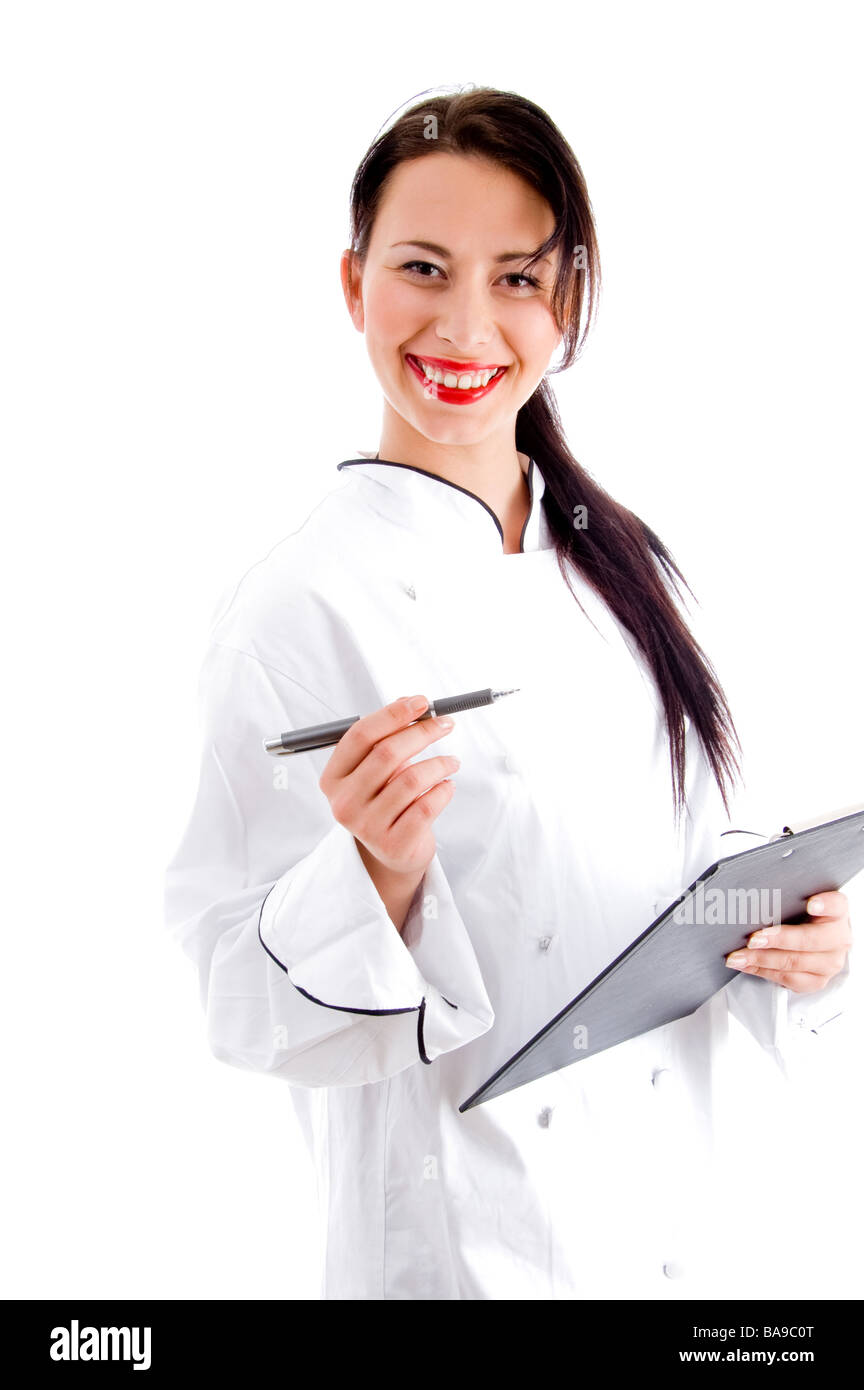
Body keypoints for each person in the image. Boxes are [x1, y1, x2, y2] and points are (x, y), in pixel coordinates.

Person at [164, 86, 854, 1300]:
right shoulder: (295, 607)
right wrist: (371, 870)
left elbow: (676, 859)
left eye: (519, 279)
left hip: (675, 1233)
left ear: (569, 302)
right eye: (423, 268)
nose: (467, 324)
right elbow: (233, 995)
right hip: (461, 1250)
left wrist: (795, 938)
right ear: (352, 285)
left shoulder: (624, 562)